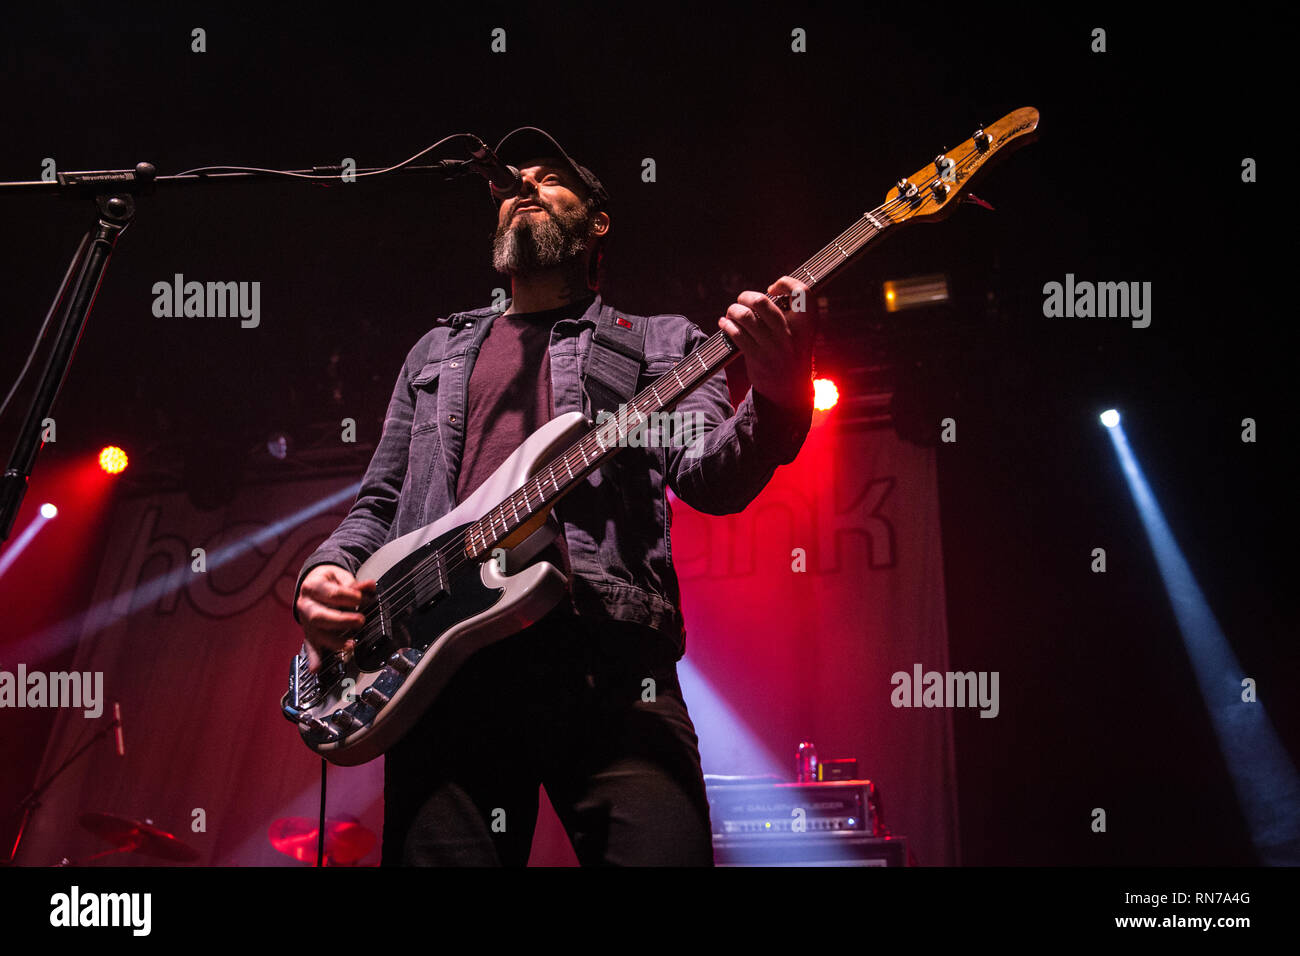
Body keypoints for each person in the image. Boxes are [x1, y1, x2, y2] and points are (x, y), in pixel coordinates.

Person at [292, 128, 814, 865]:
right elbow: (379, 504)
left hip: (607, 661)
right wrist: (323, 574)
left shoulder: (656, 342)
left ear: (597, 221)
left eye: (548, 178)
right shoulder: (436, 349)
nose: (520, 189)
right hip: (440, 674)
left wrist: (782, 394)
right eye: (509, 185)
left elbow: (712, 475)